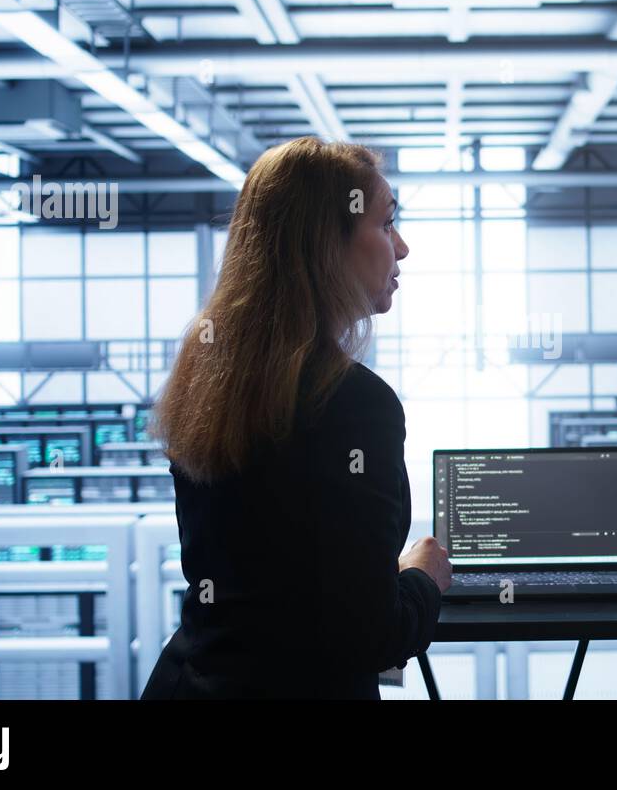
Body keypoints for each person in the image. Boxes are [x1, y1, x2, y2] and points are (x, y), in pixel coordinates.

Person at [141, 137, 451, 700]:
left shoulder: (207, 379)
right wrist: (421, 580)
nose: (401, 248)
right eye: (386, 225)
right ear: (326, 246)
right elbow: (371, 634)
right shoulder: (356, 403)